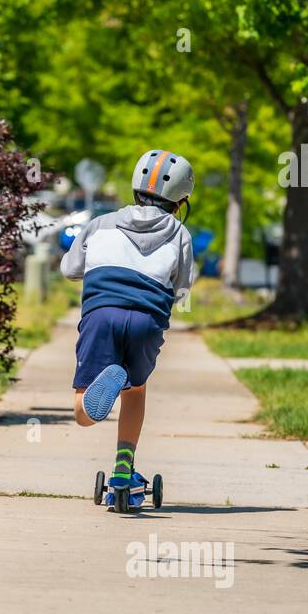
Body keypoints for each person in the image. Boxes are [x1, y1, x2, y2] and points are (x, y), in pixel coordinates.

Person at [60, 149, 196, 494]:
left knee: (82, 409)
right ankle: (123, 467)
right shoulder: (180, 235)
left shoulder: (100, 224)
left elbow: (70, 270)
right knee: (136, 390)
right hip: (146, 322)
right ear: (180, 203)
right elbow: (181, 291)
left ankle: (93, 404)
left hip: (101, 315)